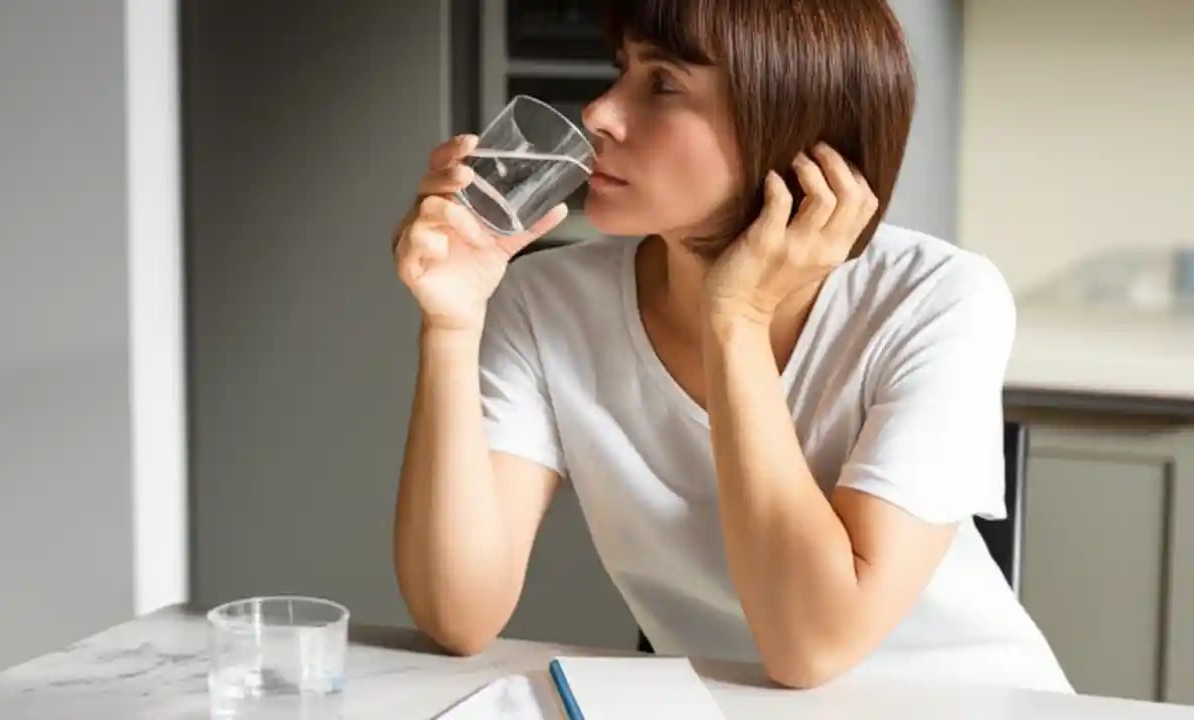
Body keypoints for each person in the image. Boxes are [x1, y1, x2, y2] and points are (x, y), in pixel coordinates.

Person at [390, 0, 1072, 693]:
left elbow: (810, 649)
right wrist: (451, 323)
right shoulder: (548, 302)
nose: (599, 112)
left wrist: (737, 317)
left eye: (663, 85)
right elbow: (458, 614)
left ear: (791, 127)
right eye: (622, 69)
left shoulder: (936, 298)